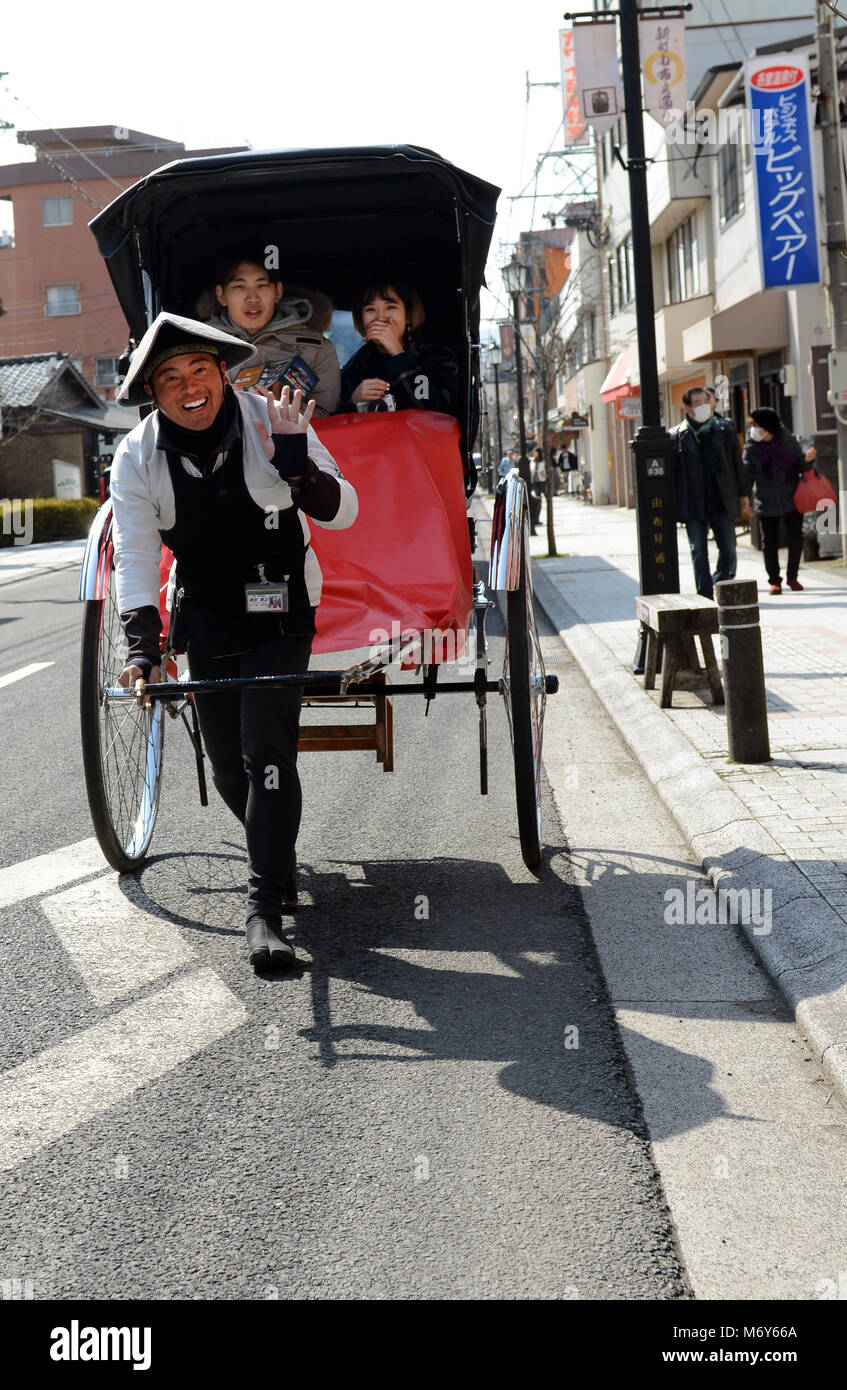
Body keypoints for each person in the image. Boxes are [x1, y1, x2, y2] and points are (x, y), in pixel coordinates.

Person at [110, 312, 358, 971]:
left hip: (281, 604)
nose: (188, 387)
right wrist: (142, 647)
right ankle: (275, 852)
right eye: (169, 378)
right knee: (226, 765)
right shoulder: (135, 456)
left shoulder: (269, 417)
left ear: (222, 373)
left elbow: (344, 509)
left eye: (199, 370)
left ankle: (265, 908)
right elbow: (134, 558)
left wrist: (296, 463)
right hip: (208, 611)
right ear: (153, 393)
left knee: (264, 748)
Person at [206, 252, 341, 416]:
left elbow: (329, 420)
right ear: (221, 295)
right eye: (239, 286)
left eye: (262, 285)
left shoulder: (317, 348)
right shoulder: (200, 345)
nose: (252, 298)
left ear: (278, 291)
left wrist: (287, 409)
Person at [674, 385, 751, 600]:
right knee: (698, 549)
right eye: (697, 404)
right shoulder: (678, 435)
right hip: (694, 502)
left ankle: (722, 584)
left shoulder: (724, 429)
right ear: (687, 408)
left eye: (705, 402)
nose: (703, 407)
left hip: (721, 498)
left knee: (728, 547)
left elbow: (737, 464)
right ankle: (705, 594)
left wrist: (744, 496)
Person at [338, 280, 459, 415]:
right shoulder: (358, 364)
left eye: (390, 307)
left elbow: (436, 409)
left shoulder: (436, 356)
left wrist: (398, 353)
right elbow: (332, 415)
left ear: (408, 315)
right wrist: (354, 400)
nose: (380, 318)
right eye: (370, 309)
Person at [742, 406, 815, 594]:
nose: (755, 430)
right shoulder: (752, 445)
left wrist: (808, 459)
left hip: (792, 495)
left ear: (769, 427)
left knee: (795, 538)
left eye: (758, 426)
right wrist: (745, 500)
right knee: (769, 542)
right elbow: (747, 474)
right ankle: (775, 581)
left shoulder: (784, 437)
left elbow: (799, 462)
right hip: (765, 499)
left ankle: (793, 577)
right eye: (753, 426)